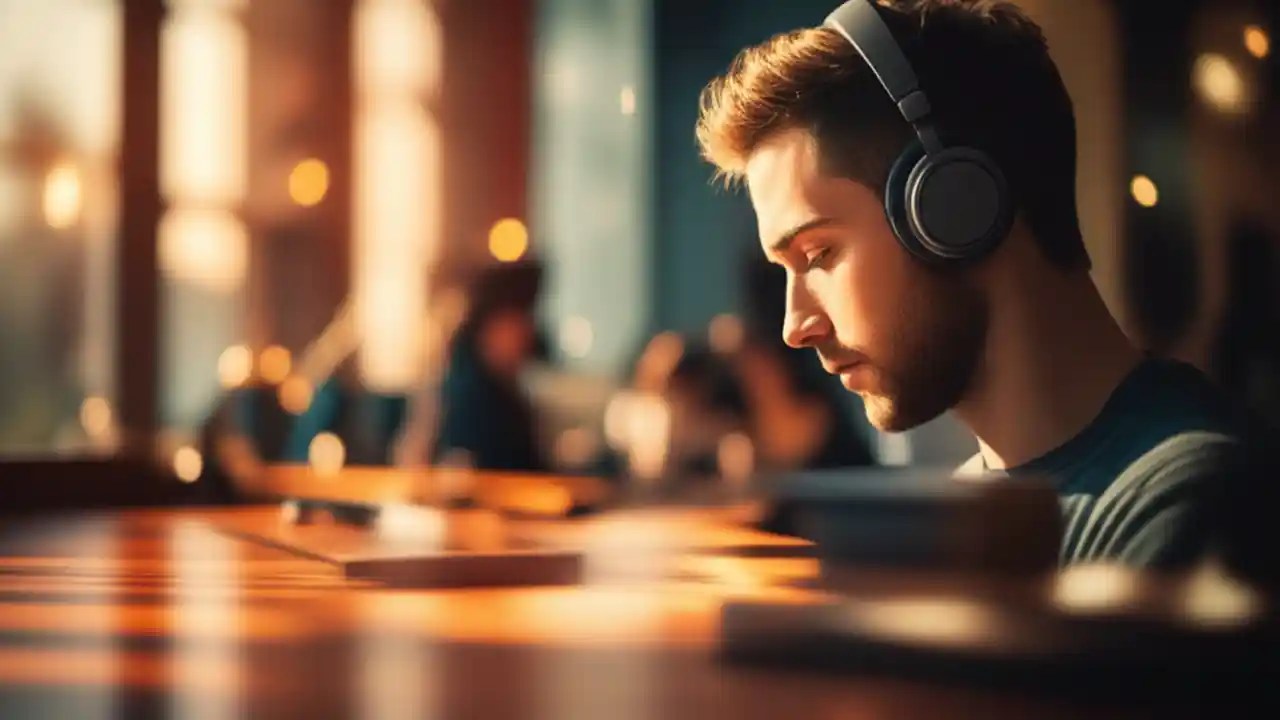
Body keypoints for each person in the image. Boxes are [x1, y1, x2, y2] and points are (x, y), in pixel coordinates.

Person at [694, 0, 1275, 573]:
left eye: (819, 253)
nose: (795, 327)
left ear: (951, 210)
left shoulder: (1194, 506)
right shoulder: (975, 509)